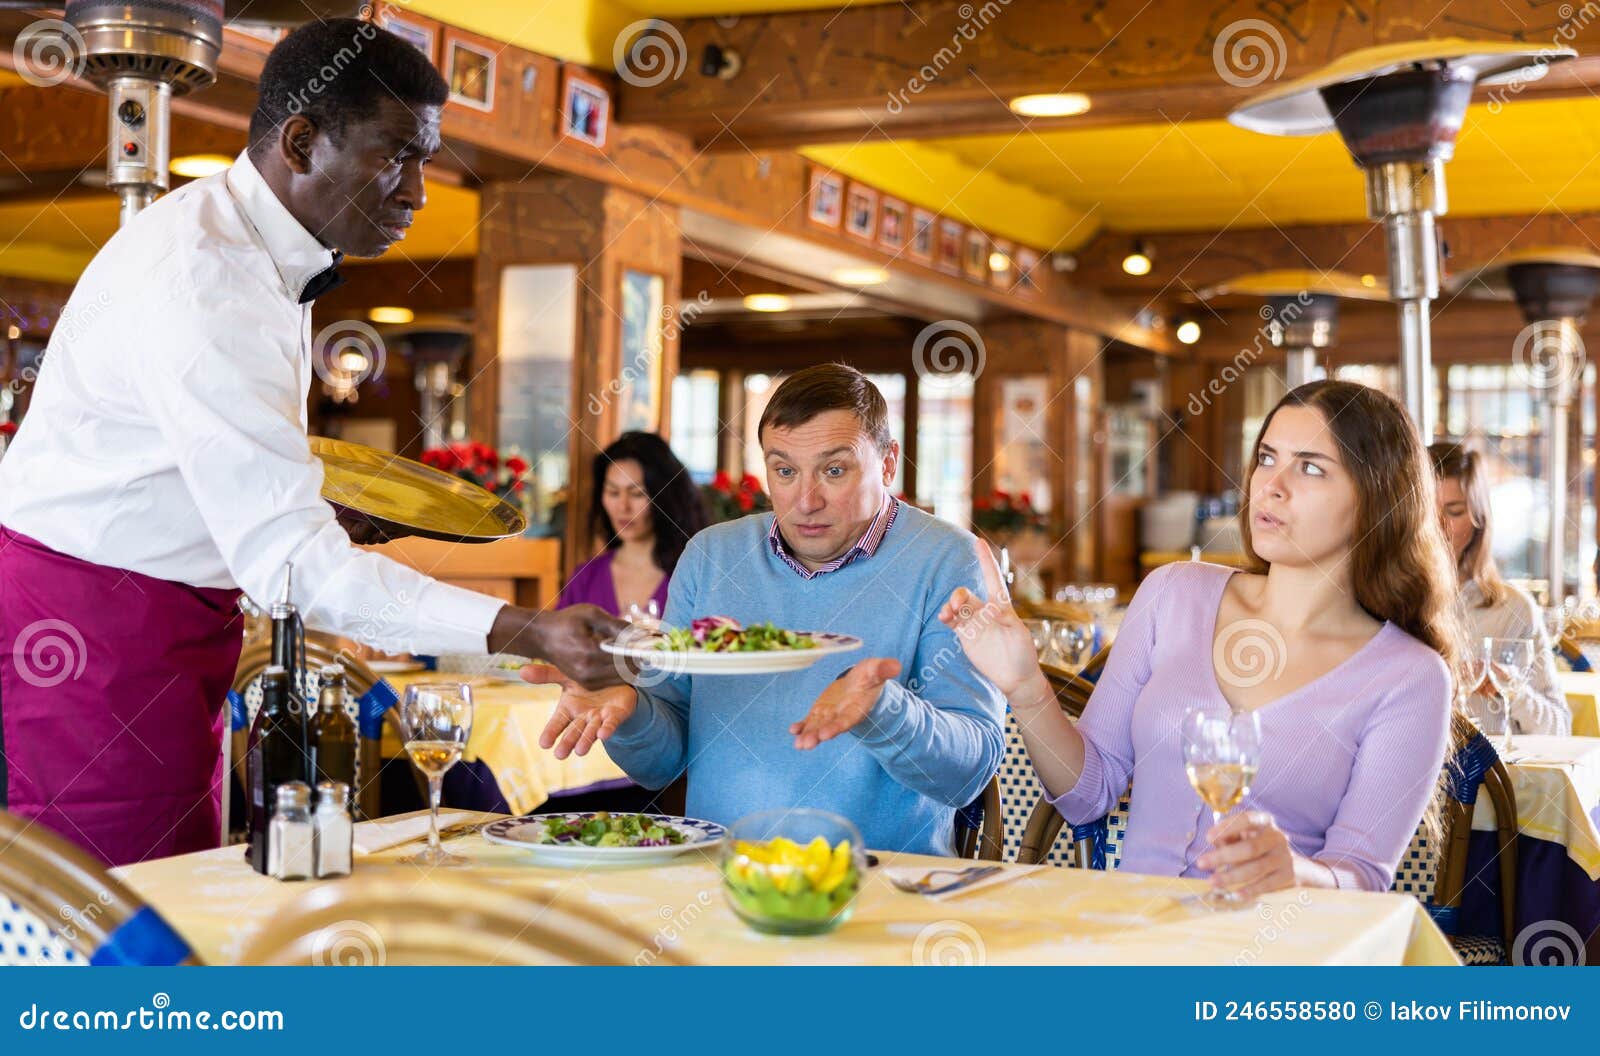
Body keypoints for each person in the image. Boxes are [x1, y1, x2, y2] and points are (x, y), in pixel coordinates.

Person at [0, 20, 622, 867]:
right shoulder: (206, 280)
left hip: (163, 619)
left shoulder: (257, 248)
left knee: (181, 881)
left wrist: (316, 505)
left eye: (425, 161)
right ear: (300, 141)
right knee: (120, 918)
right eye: (396, 155)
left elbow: (196, 463)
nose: (416, 194)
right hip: (93, 631)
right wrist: (526, 629)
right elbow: (293, 567)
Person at [940, 380, 1457, 895]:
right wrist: (1025, 684)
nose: (1271, 486)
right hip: (1138, 940)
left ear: (1378, 499)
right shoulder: (1172, 593)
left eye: (1311, 467)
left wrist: (1296, 873)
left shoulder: (1409, 677)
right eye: (1267, 458)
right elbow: (1087, 795)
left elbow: (1361, 879)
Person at [539, 364, 1005, 855]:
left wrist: (886, 711)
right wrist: (630, 711)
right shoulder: (711, 556)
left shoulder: (948, 559)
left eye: (834, 470)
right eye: (784, 471)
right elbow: (664, 761)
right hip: (718, 878)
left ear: (888, 464)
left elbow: (967, 776)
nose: (805, 500)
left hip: (881, 884)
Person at [1430, 443, 1570, 735]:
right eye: (1425, 512)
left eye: (1453, 511)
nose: (1437, 526)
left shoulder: (1514, 609)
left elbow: (1558, 729)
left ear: (1478, 518)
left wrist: (1512, 685)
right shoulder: (1384, 603)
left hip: (1488, 779)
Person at [557, 432, 707, 618]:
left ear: (664, 497)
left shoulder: (694, 576)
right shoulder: (585, 578)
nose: (623, 506)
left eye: (636, 494)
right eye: (613, 492)